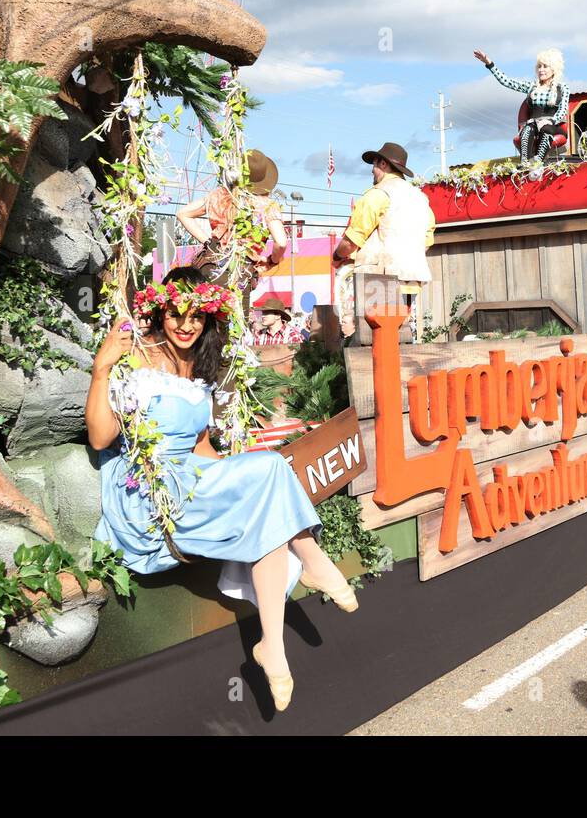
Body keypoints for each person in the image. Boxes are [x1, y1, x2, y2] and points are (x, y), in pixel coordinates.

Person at [84, 266, 357, 712]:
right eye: (176, 313)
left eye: (196, 316)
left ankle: (273, 648)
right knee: (267, 474)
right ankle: (314, 559)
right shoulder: (136, 356)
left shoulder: (199, 370)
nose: (186, 324)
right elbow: (99, 439)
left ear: (208, 319)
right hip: (147, 490)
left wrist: (243, 478)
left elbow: (202, 446)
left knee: (264, 494)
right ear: (161, 311)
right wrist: (102, 367)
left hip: (189, 474)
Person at [333, 142, 436, 337]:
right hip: (411, 279)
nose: (372, 170)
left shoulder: (379, 193)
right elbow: (427, 241)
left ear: (383, 164)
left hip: (379, 276)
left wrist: (338, 255)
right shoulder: (421, 198)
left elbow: (353, 238)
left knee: (372, 337)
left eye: (374, 165)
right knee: (402, 335)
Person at [176, 149, 288, 296]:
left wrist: (209, 244)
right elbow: (281, 243)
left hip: (210, 266)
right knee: (234, 316)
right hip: (239, 270)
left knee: (206, 314)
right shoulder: (266, 205)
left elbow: (182, 213)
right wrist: (272, 260)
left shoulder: (218, 195)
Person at [473, 47, 569, 164]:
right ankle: (526, 162)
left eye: (545, 66)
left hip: (552, 125)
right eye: (539, 66)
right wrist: (489, 63)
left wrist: (551, 121)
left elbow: (563, 109)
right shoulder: (532, 87)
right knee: (528, 129)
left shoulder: (562, 87)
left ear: (554, 69)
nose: (541, 70)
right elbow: (507, 81)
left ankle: (538, 162)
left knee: (546, 128)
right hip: (534, 123)